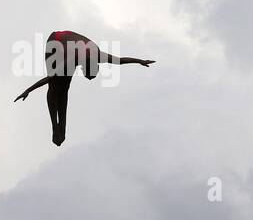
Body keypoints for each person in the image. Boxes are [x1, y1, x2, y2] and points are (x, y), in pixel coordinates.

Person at [13, 30, 155, 146]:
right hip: (55, 41)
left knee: (65, 84)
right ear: (83, 67)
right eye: (87, 75)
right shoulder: (74, 59)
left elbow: (121, 60)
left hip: (69, 44)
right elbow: (49, 78)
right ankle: (55, 127)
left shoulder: (98, 55)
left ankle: (61, 128)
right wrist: (28, 91)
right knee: (56, 84)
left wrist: (140, 61)